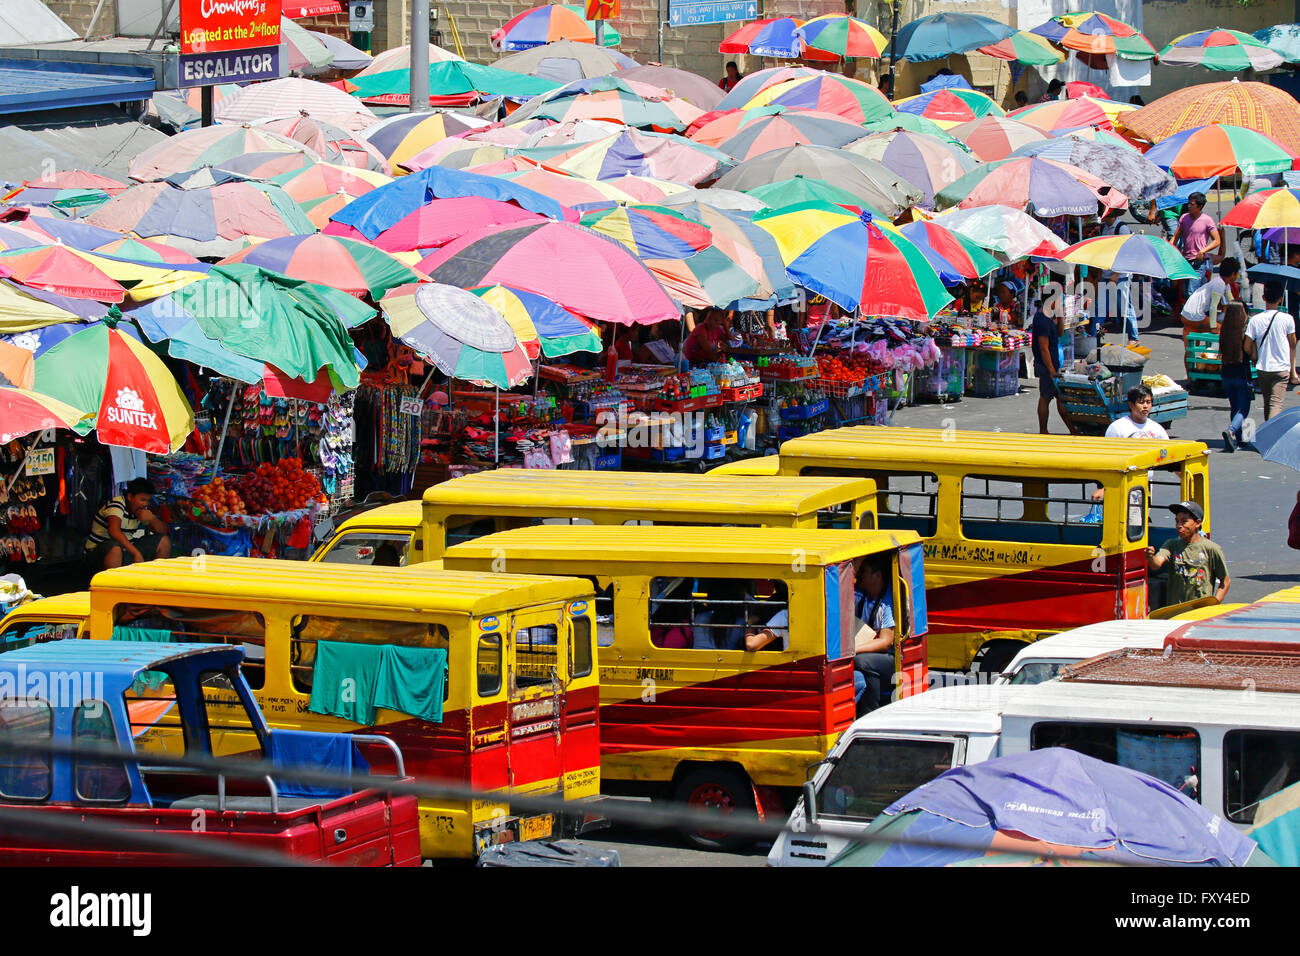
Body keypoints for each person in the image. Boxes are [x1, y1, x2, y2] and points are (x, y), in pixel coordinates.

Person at [1146, 501, 1230, 608]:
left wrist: (1214, 605)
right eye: (1177, 521)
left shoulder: (1212, 549)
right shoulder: (1171, 545)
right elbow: (1156, 564)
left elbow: (1225, 582)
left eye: (1184, 522)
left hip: (1200, 612)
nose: (1179, 526)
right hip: (1175, 611)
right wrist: (1150, 557)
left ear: (1198, 523)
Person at [84, 477, 171, 570]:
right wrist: (136, 553)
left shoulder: (140, 510)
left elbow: (163, 531)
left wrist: (153, 519)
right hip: (98, 552)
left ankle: (152, 580)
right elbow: (114, 531)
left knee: (164, 541)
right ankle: (112, 584)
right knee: (115, 549)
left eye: (147, 501)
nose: (145, 504)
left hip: (126, 549)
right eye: (142, 499)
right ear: (130, 497)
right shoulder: (117, 504)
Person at [1245, 280, 1299, 421]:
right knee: (1276, 404)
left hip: (1262, 368)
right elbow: (1293, 343)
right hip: (1281, 368)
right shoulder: (1287, 319)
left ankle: (1265, 434)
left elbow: (1247, 345)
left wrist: (1253, 355)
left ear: (1263, 298)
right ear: (1281, 299)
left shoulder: (1255, 320)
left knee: (1268, 402)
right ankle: (1269, 435)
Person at [851, 556, 897, 715]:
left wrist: (853, 649)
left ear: (877, 575)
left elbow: (886, 642)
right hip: (868, 652)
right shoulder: (860, 595)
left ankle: (870, 713)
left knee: (861, 661)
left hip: (891, 661)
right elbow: (843, 585)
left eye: (863, 571)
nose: (858, 575)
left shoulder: (888, 601)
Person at [1094, 206, 1140, 345]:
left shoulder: (1122, 228)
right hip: (1106, 272)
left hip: (1120, 276)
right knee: (1100, 307)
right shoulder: (1103, 228)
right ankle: (1095, 336)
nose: (1101, 216)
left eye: (1103, 214)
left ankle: (1133, 338)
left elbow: (1126, 253)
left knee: (1125, 307)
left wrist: (1116, 273)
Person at [1032, 297, 1078, 435]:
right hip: (1046, 365)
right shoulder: (1042, 320)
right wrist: (1051, 370)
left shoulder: (1049, 317)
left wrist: (1060, 315)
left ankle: (1072, 429)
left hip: (1051, 364)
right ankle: (1044, 430)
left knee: (1059, 397)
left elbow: (1060, 333)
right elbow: (1043, 348)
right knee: (1046, 397)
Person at [1219, 301, 1252, 452]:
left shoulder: (1224, 330)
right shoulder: (1245, 332)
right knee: (1243, 409)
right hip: (1242, 374)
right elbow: (1251, 353)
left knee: (1234, 407)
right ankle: (1232, 431)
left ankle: (1240, 440)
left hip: (1226, 374)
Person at [1172, 192, 1221, 292]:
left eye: (1192, 204)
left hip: (1199, 262)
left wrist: (1203, 251)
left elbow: (1217, 241)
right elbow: (1175, 237)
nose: (1189, 206)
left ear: (1200, 206)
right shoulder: (1184, 218)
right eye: (1188, 203)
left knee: (1192, 291)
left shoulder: (1207, 220)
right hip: (1185, 260)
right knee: (1185, 291)